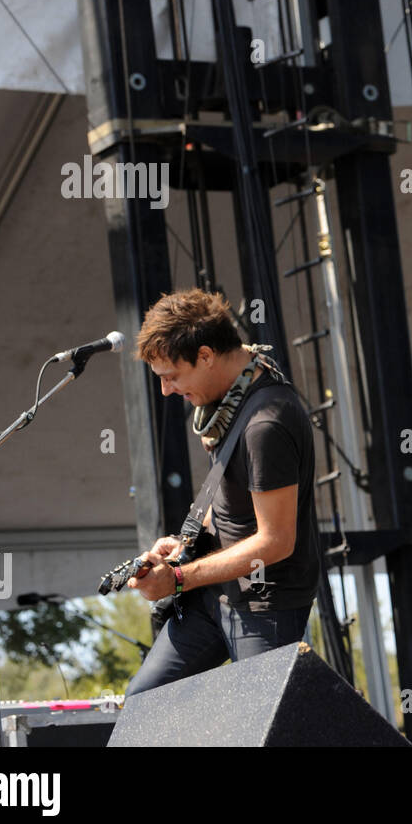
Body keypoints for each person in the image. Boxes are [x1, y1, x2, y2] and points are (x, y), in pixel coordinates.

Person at [124, 288, 320, 696]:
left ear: (207, 355)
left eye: (171, 377)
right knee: (146, 702)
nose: (166, 391)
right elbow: (232, 503)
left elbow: (277, 541)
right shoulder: (231, 400)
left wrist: (178, 578)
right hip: (215, 596)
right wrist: (186, 545)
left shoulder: (267, 422)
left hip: (264, 605)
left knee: (264, 731)